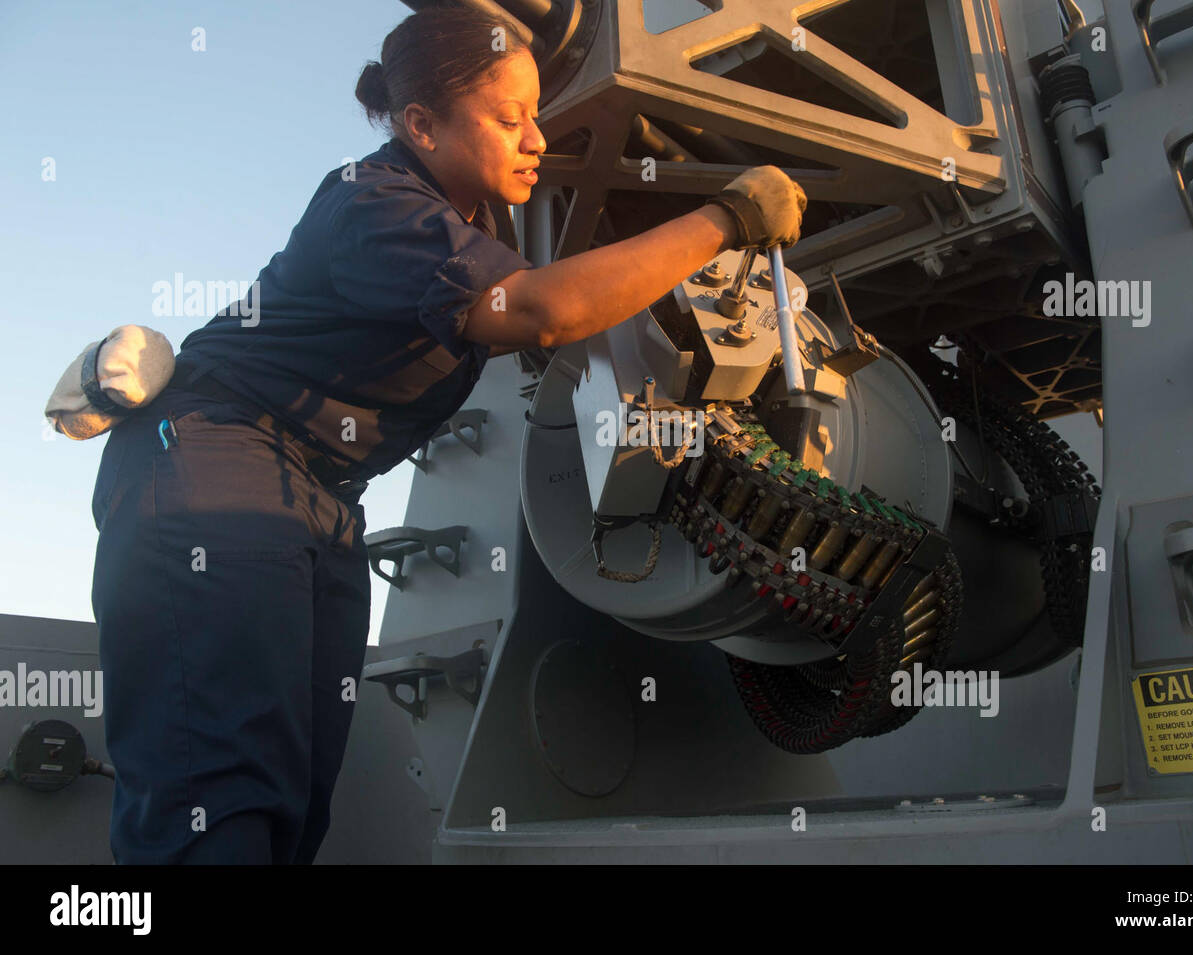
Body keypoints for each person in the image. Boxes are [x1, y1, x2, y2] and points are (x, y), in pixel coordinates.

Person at [89, 0, 806, 864]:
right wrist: (726, 218)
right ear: (420, 124)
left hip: (320, 496)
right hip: (214, 462)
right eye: (511, 118)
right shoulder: (374, 201)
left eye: (537, 115)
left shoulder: (476, 225)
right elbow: (545, 311)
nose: (537, 137)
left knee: (294, 805)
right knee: (220, 803)